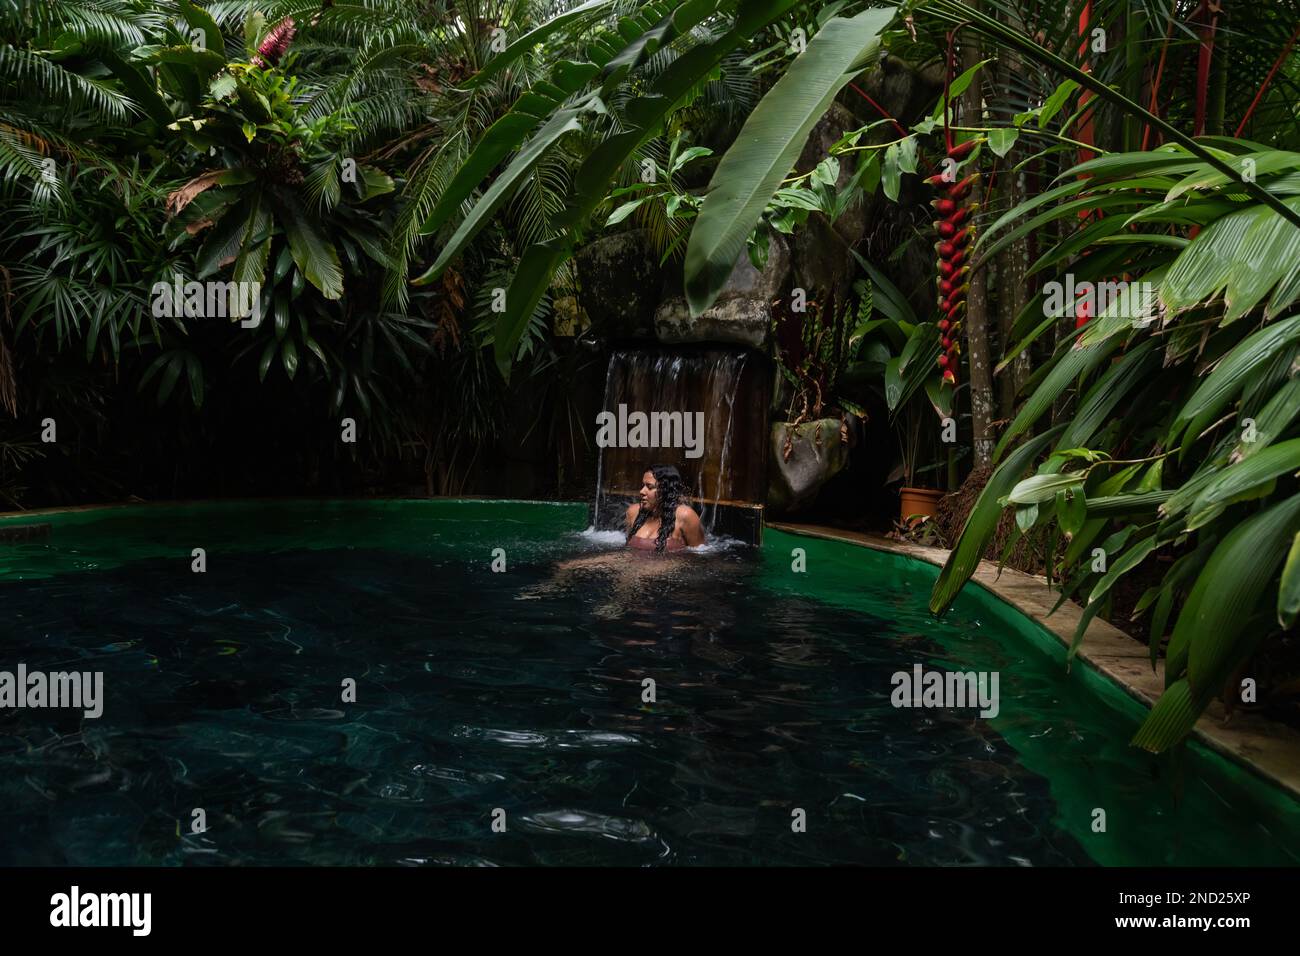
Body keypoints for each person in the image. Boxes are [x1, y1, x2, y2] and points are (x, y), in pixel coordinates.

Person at [624, 464, 704, 552]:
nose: (641, 491)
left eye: (649, 487)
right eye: (643, 485)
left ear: (665, 490)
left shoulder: (685, 515)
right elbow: (627, 549)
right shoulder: (634, 512)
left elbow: (700, 555)